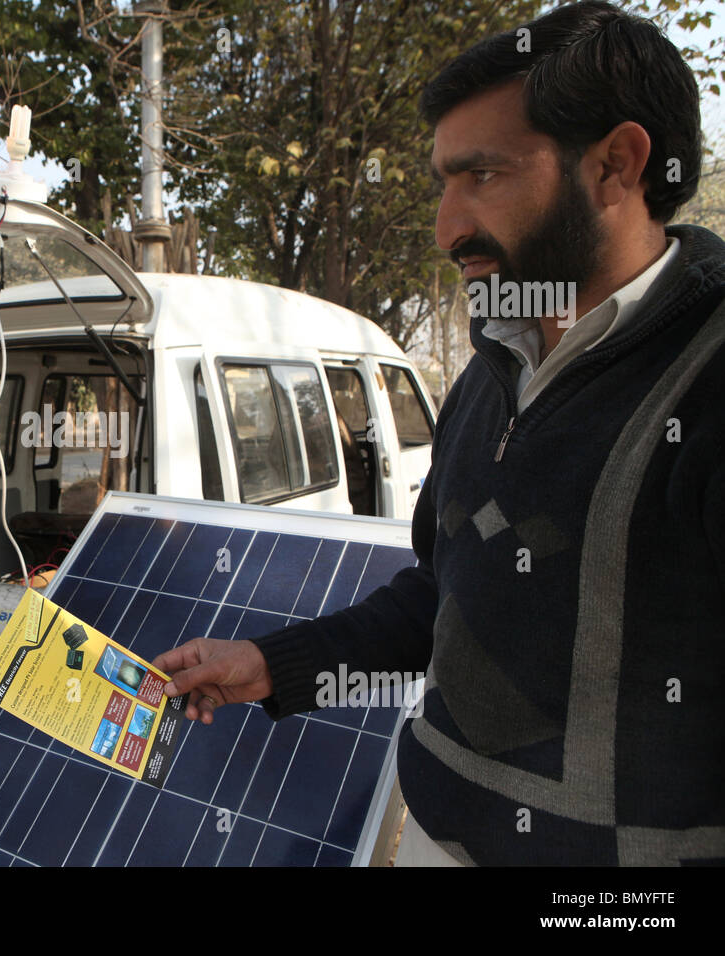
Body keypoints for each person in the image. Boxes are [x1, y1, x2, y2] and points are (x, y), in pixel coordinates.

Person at [154, 0, 725, 866]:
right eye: (443, 184)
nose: (447, 227)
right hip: (438, 837)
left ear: (617, 164)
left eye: (484, 175)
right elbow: (448, 595)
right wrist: (276, 664)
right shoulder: (492, 370)